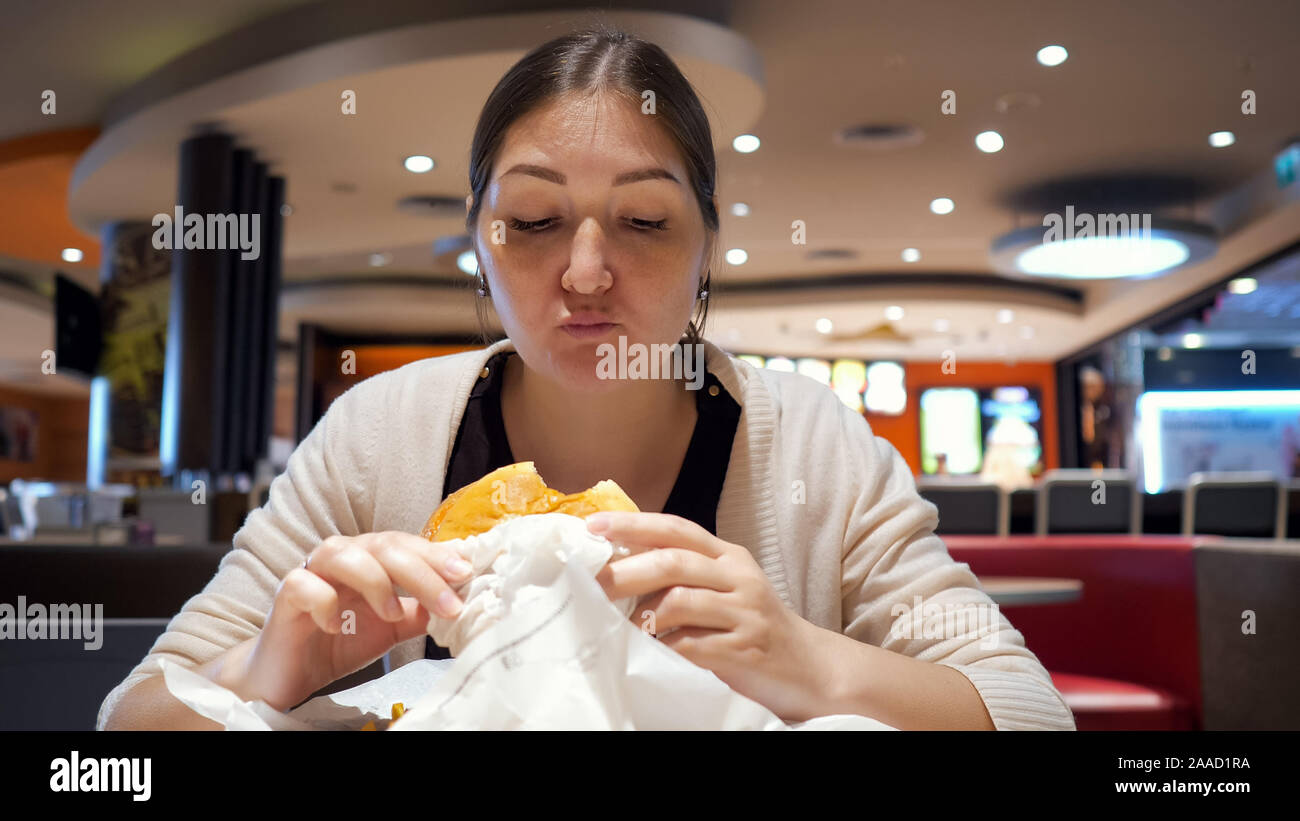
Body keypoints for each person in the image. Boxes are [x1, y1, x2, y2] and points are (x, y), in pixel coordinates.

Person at [98, 27, 1073, 731]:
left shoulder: (814, 443)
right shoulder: (377, 434)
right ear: (478, 246)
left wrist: (805, 656)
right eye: (532, 221)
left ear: (706, 251)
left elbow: (1028, 711)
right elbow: (126, 730)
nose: (586, 271)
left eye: (644, 222)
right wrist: (267, 669)